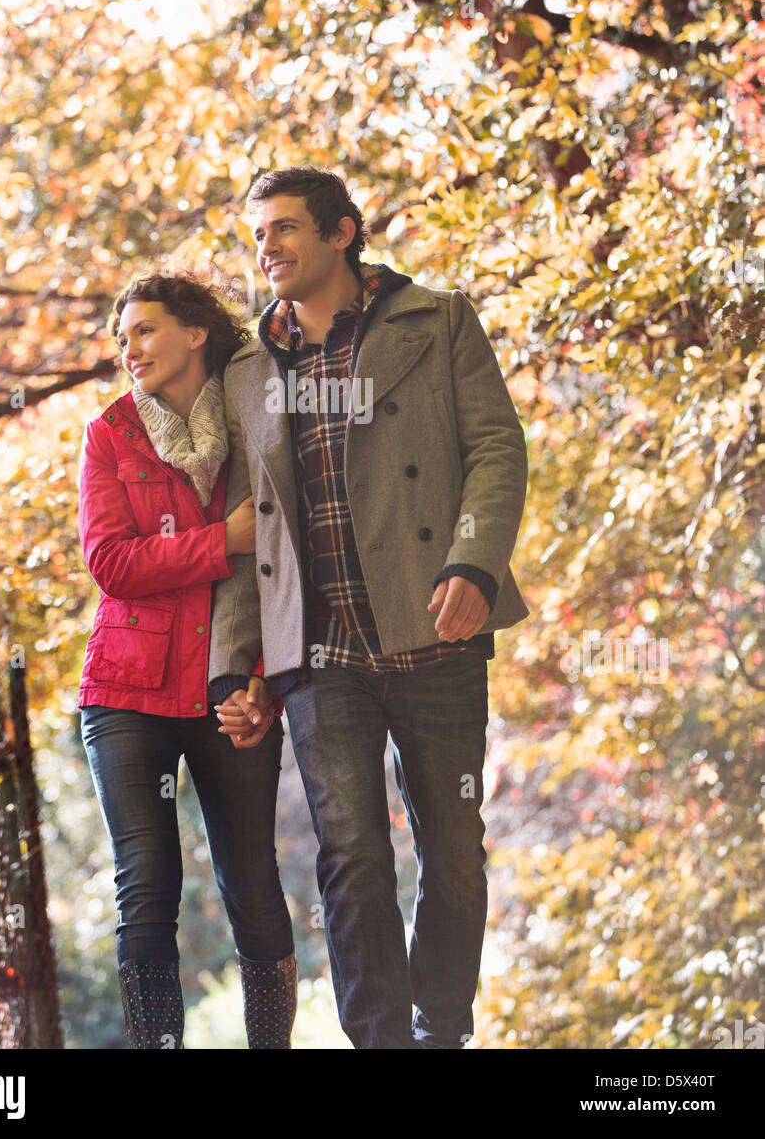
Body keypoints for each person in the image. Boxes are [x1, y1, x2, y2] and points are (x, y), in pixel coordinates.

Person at [209, 167, 529, 1049]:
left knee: (455, 856)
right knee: (351, 860)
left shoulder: (438, 318)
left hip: (436, 628)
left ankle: (442, 1027)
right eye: (257, 236)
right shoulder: (246, 371)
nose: (266, 249)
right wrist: (238, 664)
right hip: (320, 654)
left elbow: (497, 448)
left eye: (283, 230)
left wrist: (475, 564)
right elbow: (249, 530)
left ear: (342, 232)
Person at [76, 267, 296, 1050]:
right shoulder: (111, 433)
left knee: (253, 881)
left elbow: (283, 573)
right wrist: (219, 541)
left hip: (229, 686)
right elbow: (114, 565)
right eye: (122, 337)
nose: (129, 349)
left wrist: (265, 684)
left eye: (144, 330)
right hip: (127, 690)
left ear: (195, 332)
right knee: (147, 883)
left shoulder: (255, 429)